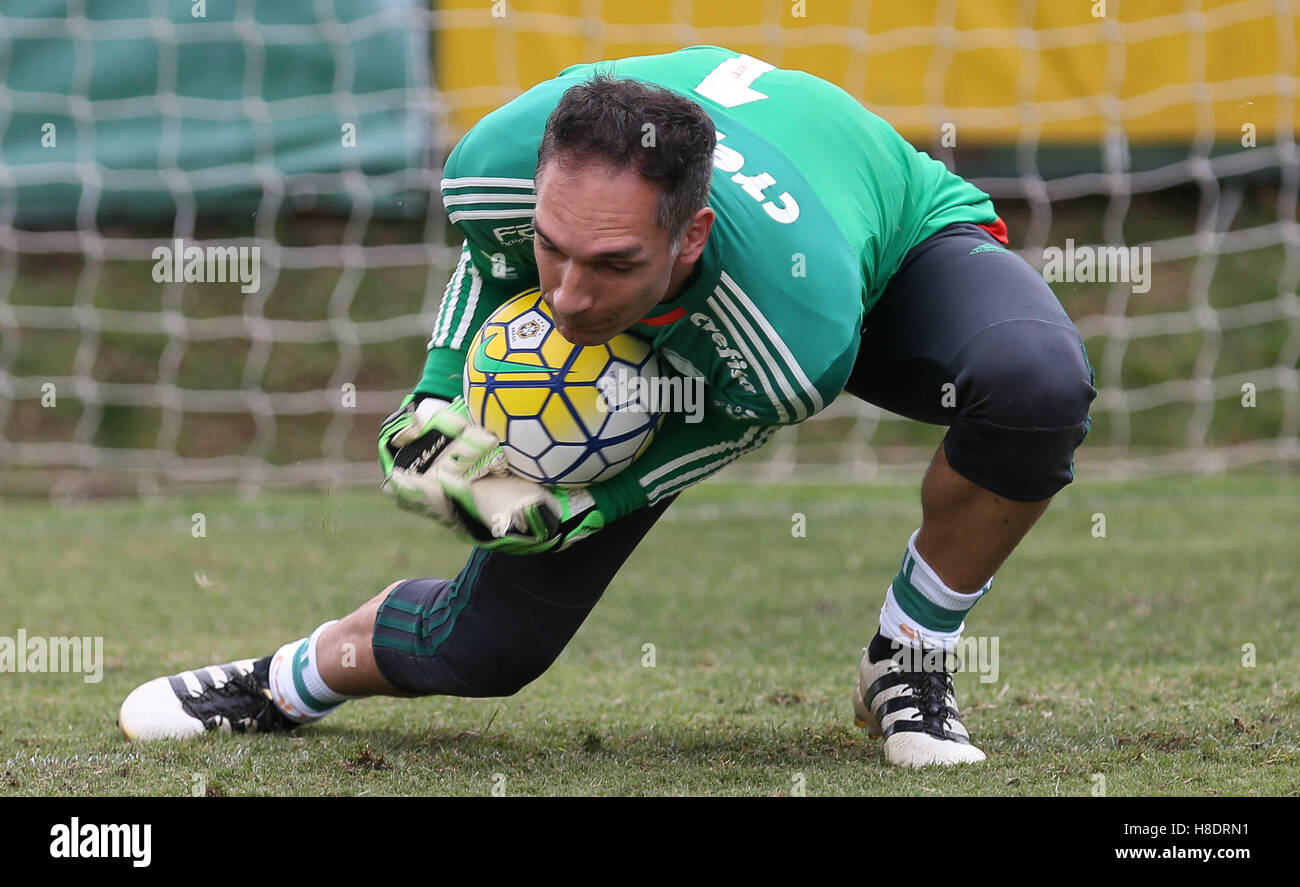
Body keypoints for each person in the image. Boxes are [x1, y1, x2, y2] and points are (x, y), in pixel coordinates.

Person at [118, 45, 1096, 768]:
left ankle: (909, 658)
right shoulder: (493, 166)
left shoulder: (784, 338)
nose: (570, 298)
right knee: (489, 648)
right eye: (557, 247)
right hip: (750, 286)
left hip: (872, 254)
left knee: (1034, 386)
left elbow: (696, 440)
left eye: (613, 263)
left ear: (688, 235)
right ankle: (287, 677)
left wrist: (584, 506)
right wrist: (434, 399)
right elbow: (495, 260)